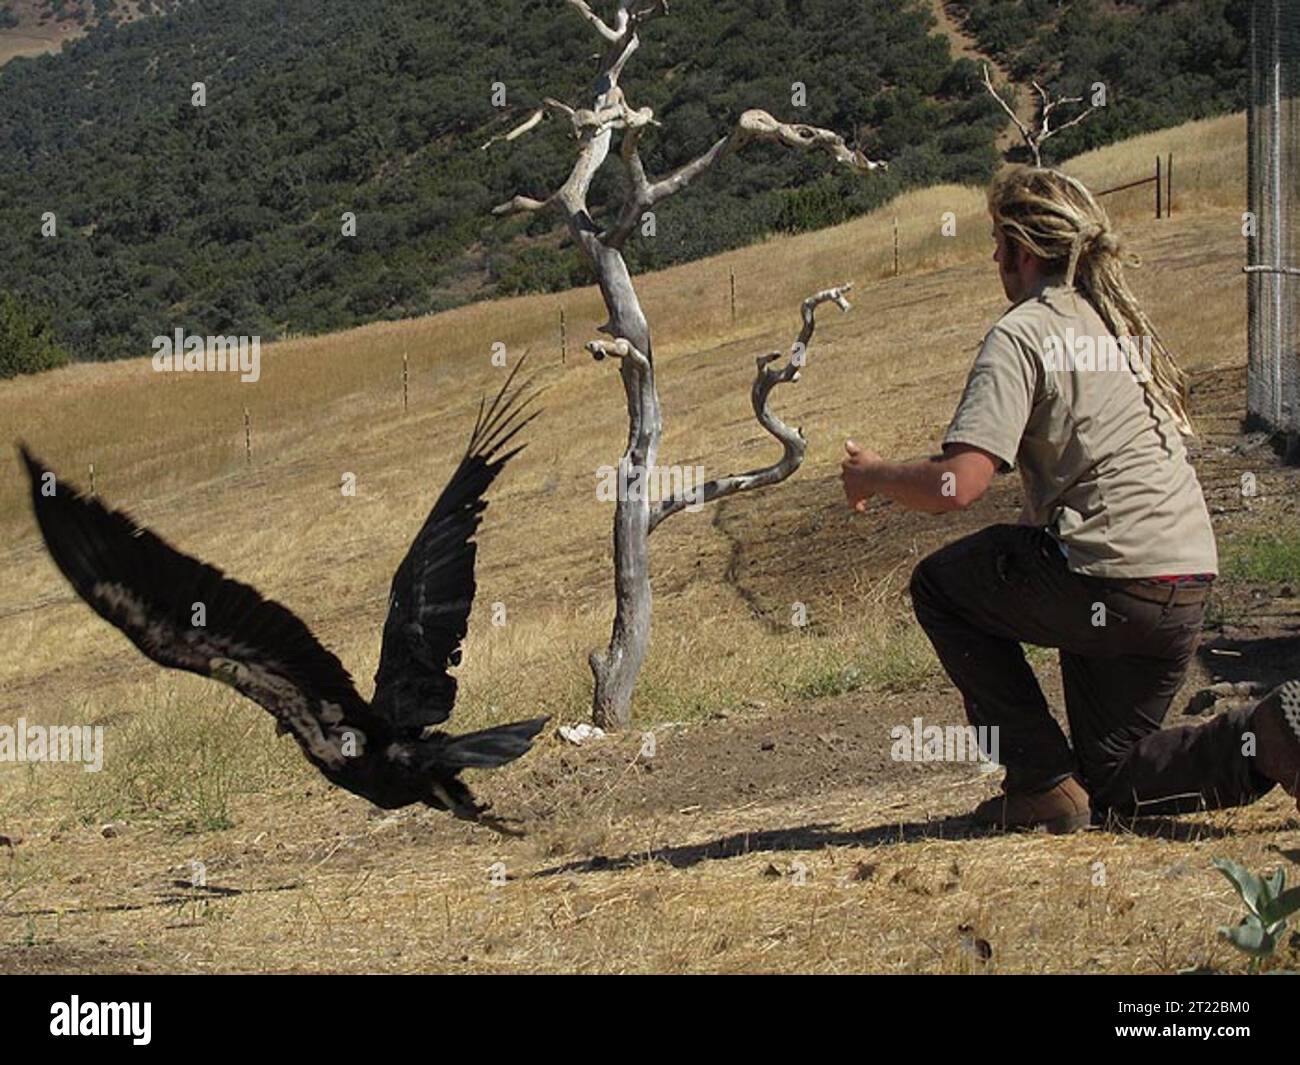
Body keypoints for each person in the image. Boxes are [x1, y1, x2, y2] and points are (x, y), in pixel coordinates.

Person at [839, 165, 1300, 833]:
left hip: (1107, 576)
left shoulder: (1024, 331)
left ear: (1024, 251)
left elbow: (959, 484)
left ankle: (1038, 783)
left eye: (998, 240)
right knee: (1115, 777)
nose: (993, 256)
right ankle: (1269, 736)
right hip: (1184, 579)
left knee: (939, 585)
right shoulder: (1117, 324)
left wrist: (876, 475)